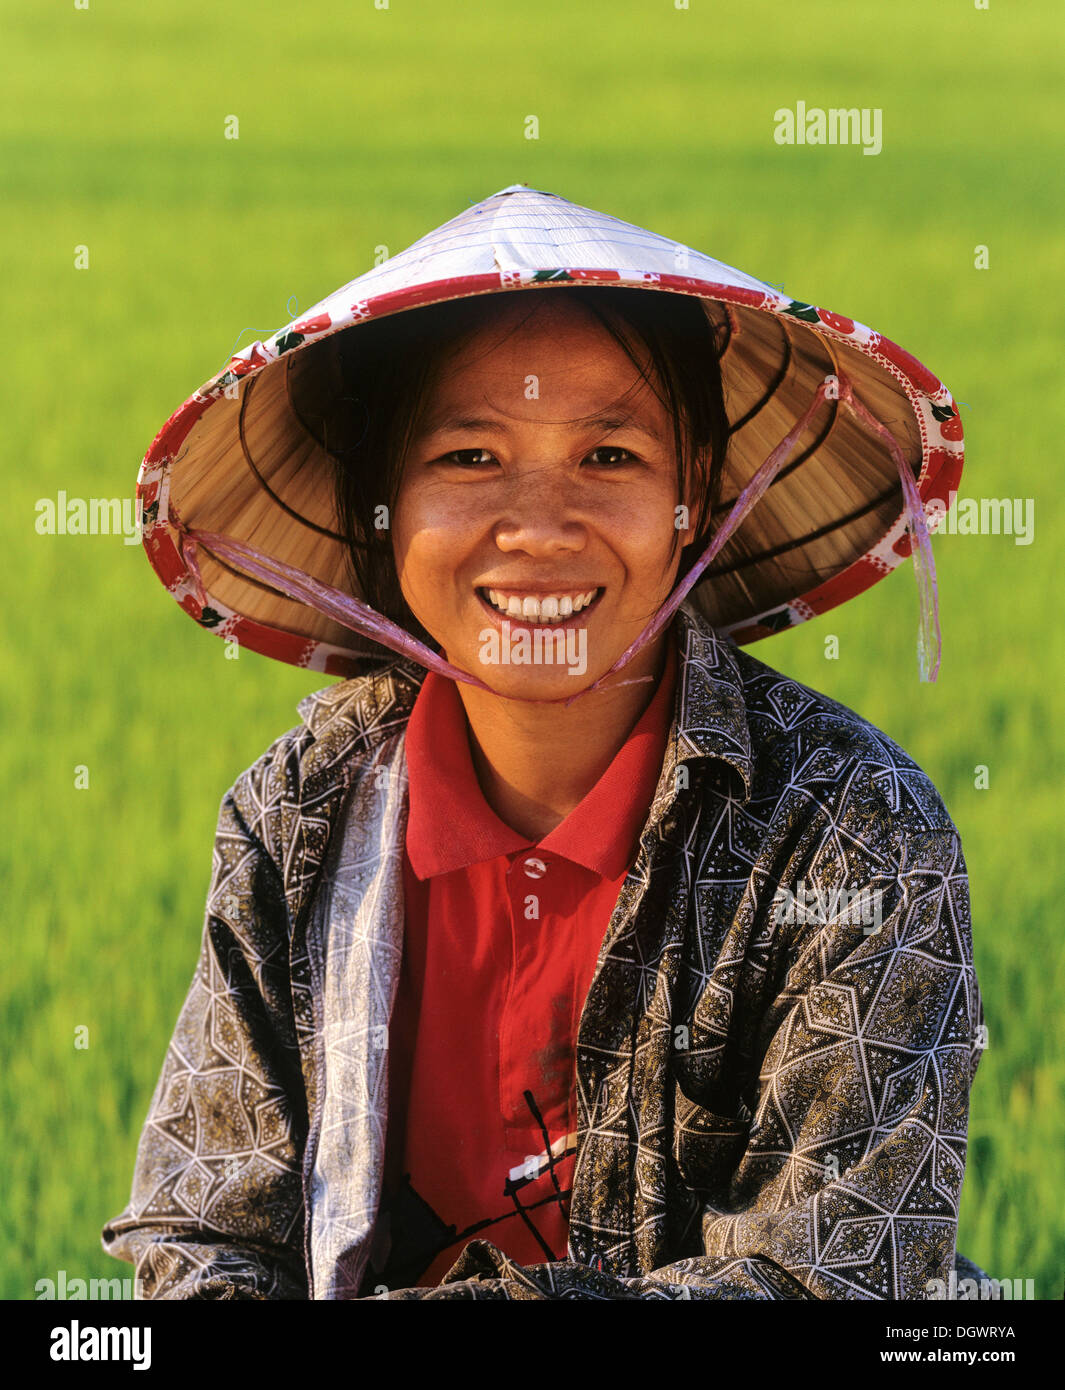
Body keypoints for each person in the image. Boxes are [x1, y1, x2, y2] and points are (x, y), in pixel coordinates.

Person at [102, 185, 986, 1299]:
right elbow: (200, 1229)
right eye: (470, 458)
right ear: (382, 501)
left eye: (609, 459)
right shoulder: (296, 819)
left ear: (695, 495)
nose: (537, 528)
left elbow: (847, 1278)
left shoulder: (855, 835)